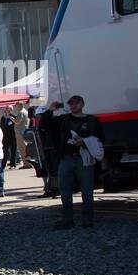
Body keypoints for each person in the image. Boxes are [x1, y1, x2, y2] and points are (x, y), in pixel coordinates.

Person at [53, 94, 106, 230]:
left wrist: (85, 141)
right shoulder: (63, 119)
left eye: (76, 103)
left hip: (84, 159)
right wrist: (51, 109)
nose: (73, 105)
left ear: (82, 104)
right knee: (65, 191)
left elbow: (101, 139)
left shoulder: (92, 120)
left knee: (87, 191)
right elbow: (45, 124)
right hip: (66, 158)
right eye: (71, 103)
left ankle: (88, 220)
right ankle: (67, 220)